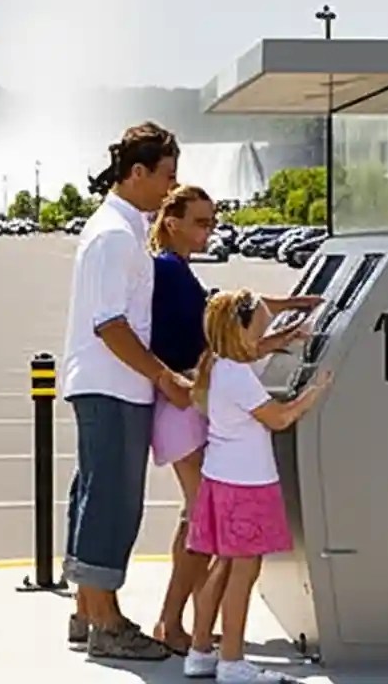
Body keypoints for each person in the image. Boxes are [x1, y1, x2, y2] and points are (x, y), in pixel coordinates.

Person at [145, 187, 318, 656]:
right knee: (202, 525)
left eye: (212, 223)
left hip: (185, 408)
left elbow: (219, 334)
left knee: (201, 523)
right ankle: (177, 626)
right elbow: (215, 327)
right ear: (172, 221)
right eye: (200, 223)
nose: (209, 231)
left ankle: (188, 628)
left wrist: (276, 317)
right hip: (179, 411)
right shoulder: (168, 270)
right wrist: (274, 318)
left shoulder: (177, 270)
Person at [60, 121, 189, 661]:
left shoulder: (121, 227)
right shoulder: (115, 235)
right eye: (166, 175)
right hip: (113, 386)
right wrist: (164, 375)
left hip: (108, 386)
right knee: (112, 502)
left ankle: (89, 610)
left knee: (96, 496)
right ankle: (106, 624)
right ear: (136, 173)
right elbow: (111, 323)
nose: (171, 188)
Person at [181, 289, 333, 684]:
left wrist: (282, 339)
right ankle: (232, 661)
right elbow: (279, 419)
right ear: (240, 328)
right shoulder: (237, 376)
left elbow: (251, 351)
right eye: (259, 327)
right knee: (243, 574)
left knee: (223, 566)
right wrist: (314, 393)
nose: (260, 335)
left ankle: (200, 652)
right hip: (247, 485)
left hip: (222, 479)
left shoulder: (219, 363)